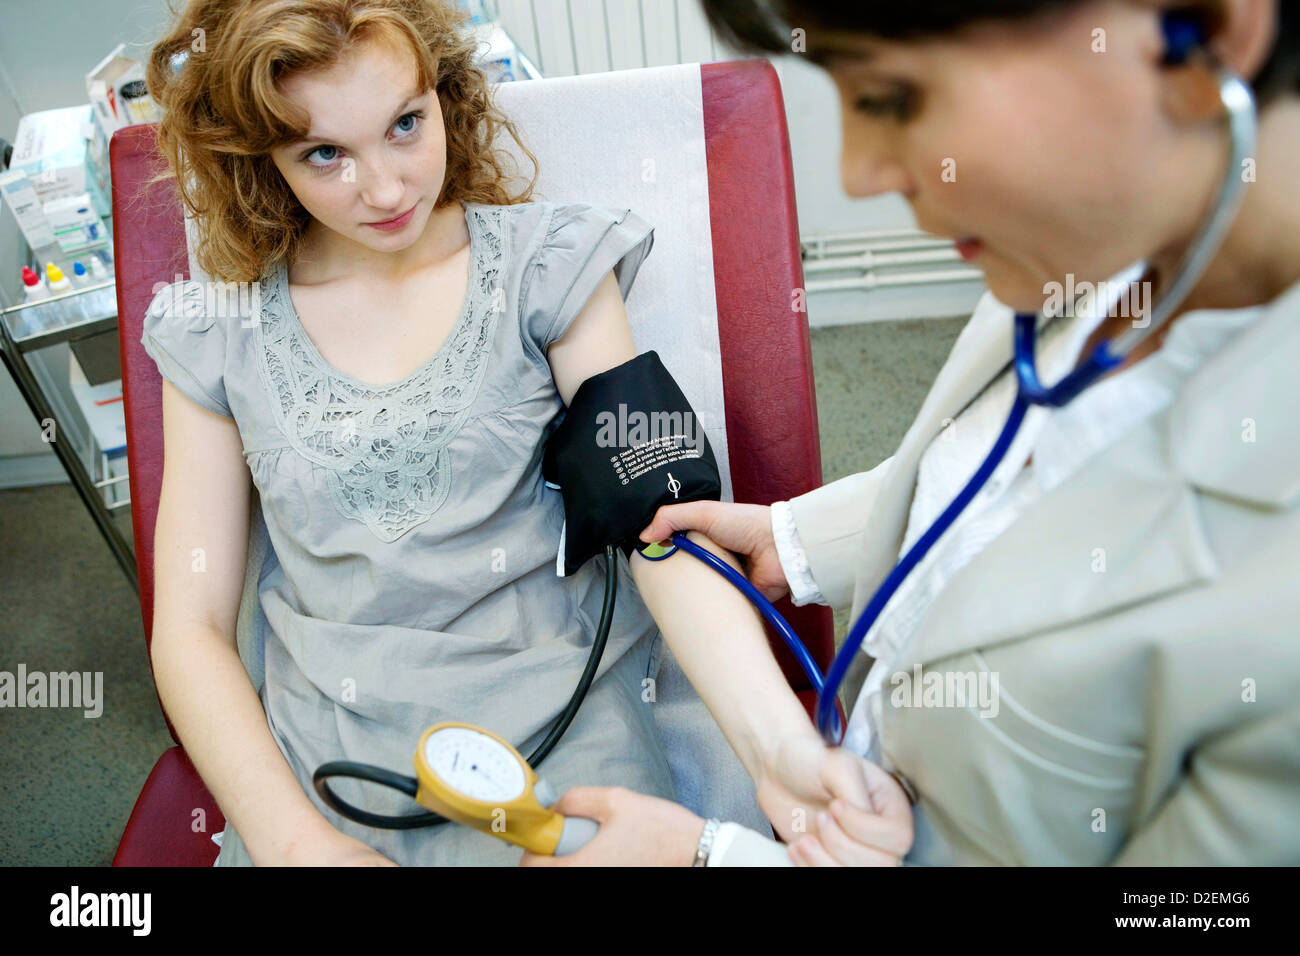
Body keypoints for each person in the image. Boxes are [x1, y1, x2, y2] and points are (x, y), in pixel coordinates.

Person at [522, 0, 1300, 866]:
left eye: (891, 97)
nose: (856, 172)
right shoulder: (1101, 241)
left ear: (1207, 29)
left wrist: (715, 857)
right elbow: (1010, 482)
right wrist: (798, 538)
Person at [137, 0, 859, 866]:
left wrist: (776, 748)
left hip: (560, 727)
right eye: (324, 153)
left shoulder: (552, 269)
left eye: (406, 123)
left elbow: (662, 523)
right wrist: (296, 844)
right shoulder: (218, 334)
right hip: (331, 759)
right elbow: (190, 629)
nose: (387, 187)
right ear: (260, 157)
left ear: (445, 92)